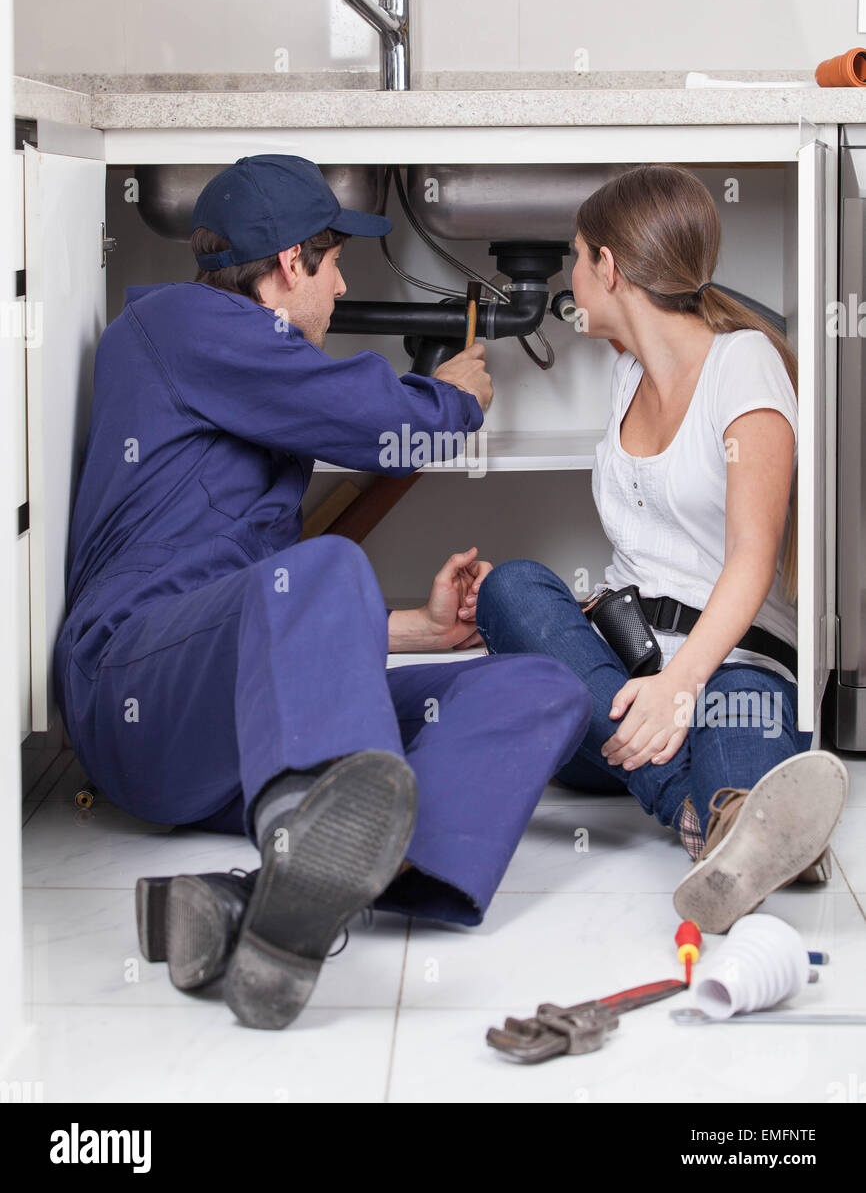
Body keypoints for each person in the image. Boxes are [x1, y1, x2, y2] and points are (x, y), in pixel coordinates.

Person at [54, 154, 592, 1029]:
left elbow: (261, 610)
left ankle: (290, 890)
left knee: (541, 685)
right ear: (292, 263)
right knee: (329, 560)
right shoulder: (181, 323)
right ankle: (309, 824)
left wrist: (408, 629)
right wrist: (452, 401)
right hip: (135, 690)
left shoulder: (240, 367)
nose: (342, 289)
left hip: (235, 721)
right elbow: (379, 425)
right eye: (336, 263)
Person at [475, 164, 848, 935]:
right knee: (512, 589)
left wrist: (680, 681)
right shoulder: (624, 376)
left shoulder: (742, 363)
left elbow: (752, 554)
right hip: (624, 684)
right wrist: (630, 670)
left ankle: (723, 817)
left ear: (608, 267)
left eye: (577, 258)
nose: (571, 280)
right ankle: (716, 822)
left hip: (728, 668)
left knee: (736, 723)